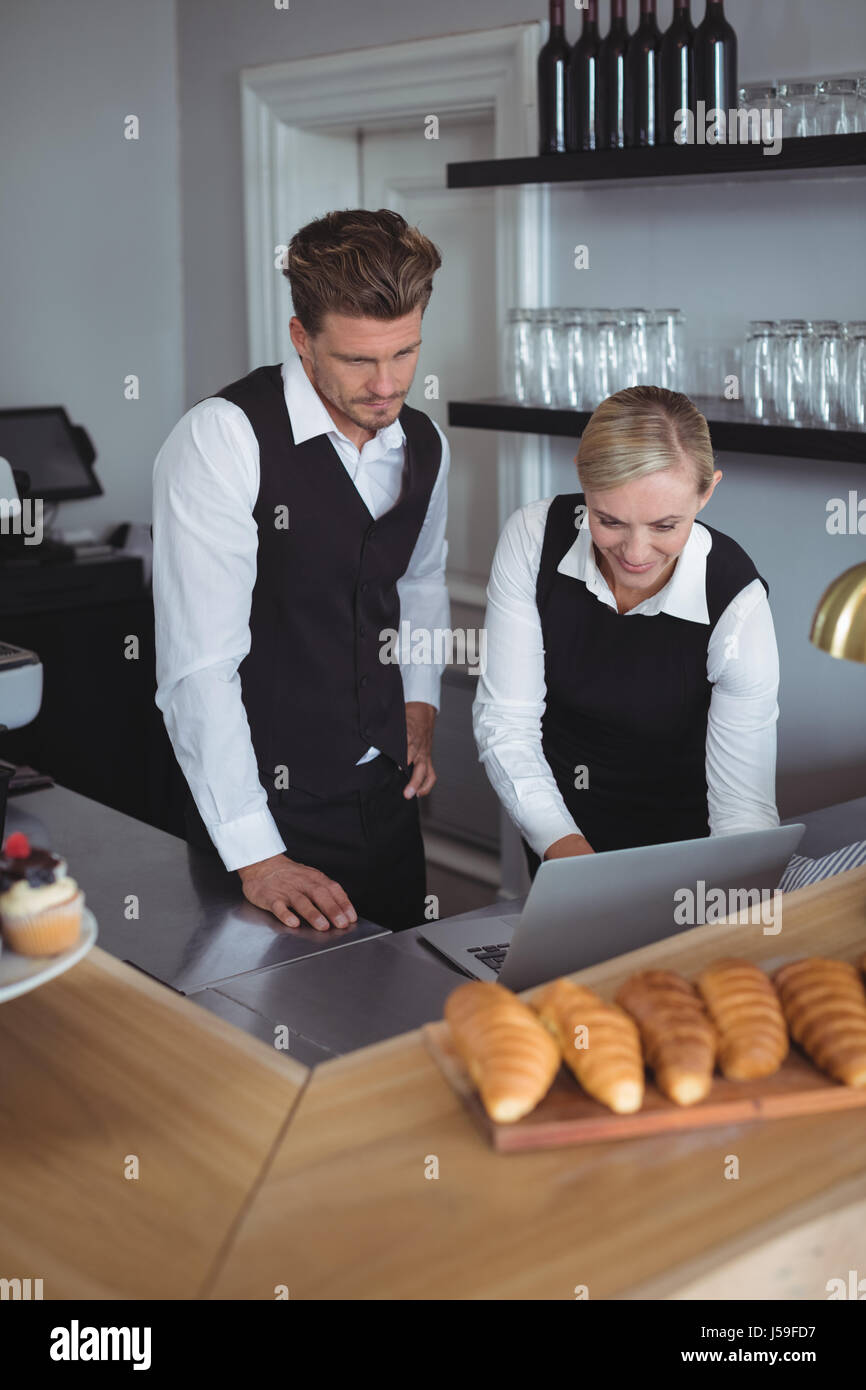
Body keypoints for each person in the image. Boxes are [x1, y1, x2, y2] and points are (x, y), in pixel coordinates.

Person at [153, 209, 449, 931]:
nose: (387, 385)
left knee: (404, 1011)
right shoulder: (223, 439)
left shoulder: (423, 441)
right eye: (357, 360)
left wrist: (419, 698)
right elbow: (199, 666)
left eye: (405, 353)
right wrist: (257, 856)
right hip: (262, 810)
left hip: (387, 801)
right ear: (301, 338)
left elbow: (418, 582)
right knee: (269, 1035)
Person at [472, 385, 780, 877]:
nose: (635, 554)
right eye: (609, 520)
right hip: (560, 835)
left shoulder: (735, 601)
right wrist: (571, 859)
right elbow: (507, 724)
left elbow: (742, 807)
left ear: (707, 491)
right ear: (582, 478)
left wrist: (734, 900)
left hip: (690, 860)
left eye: (664, 526)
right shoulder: (534, 538)